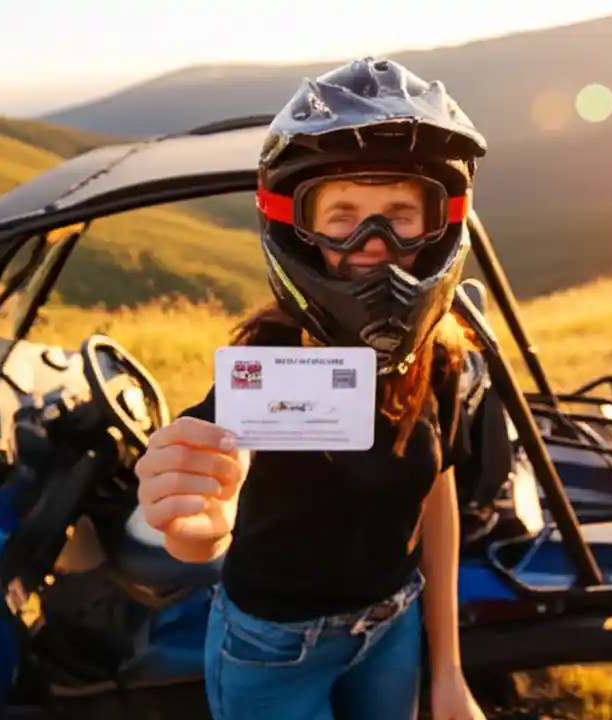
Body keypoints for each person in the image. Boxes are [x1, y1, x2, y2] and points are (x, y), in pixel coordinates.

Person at [134, 58, 496, 720]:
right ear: (293, 224)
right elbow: (211, 502)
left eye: (398, 214)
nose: (373, 243)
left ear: (439, 221)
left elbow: (434, 497)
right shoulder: (268, 360)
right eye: (343, 216)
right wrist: (194, 526)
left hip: (392, 628)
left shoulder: (438, 358)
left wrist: (448, 672)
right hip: (272, 647)